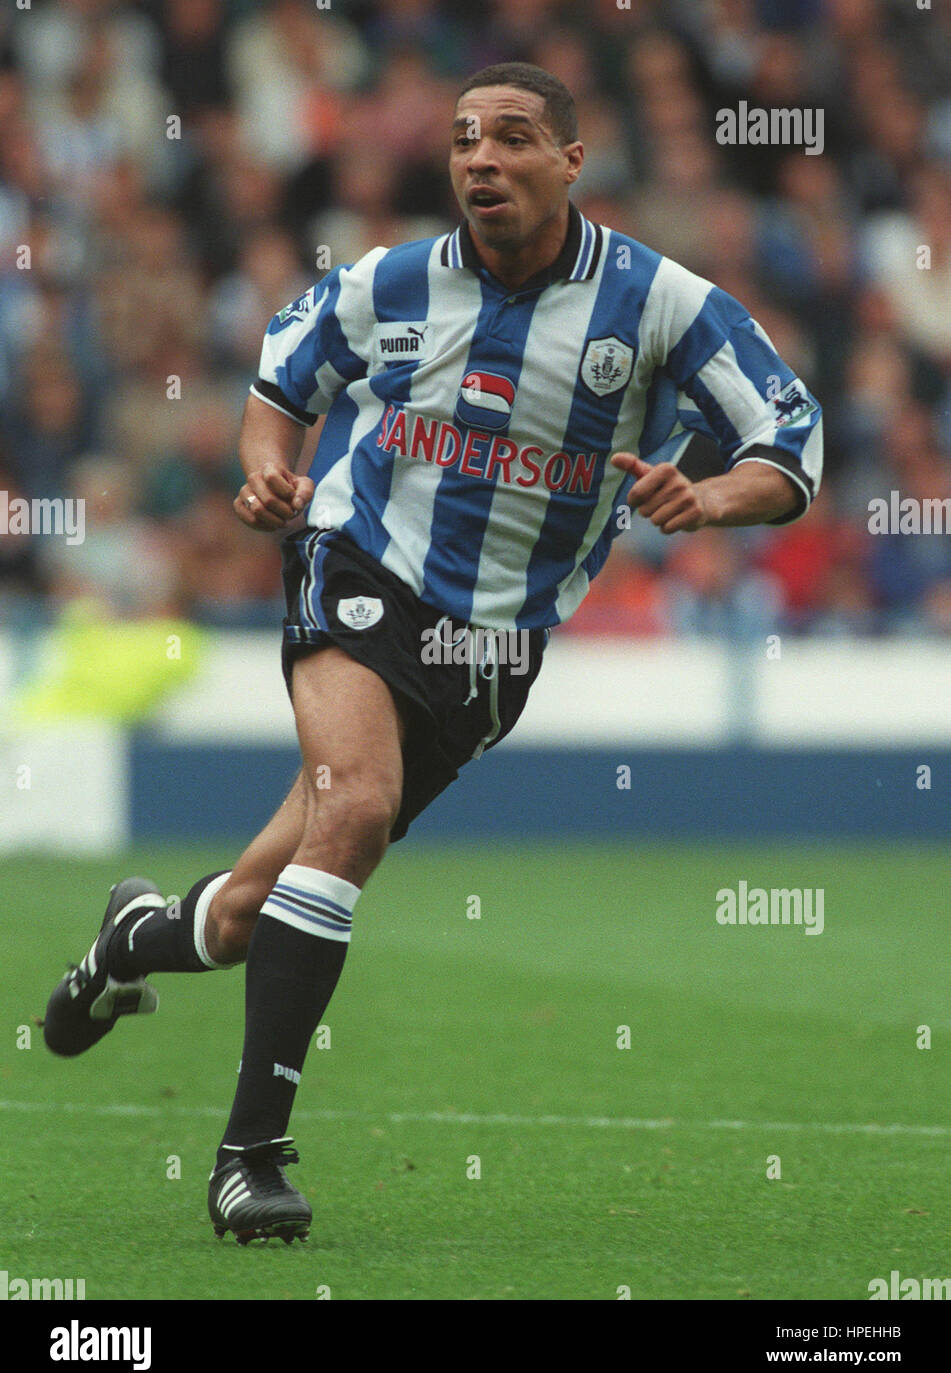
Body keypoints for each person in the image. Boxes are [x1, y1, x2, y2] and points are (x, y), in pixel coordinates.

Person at [43, 63, 823, 1245]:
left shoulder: (662, 306)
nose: (481, 159)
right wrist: (266, 464)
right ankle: (250, 1160)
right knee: (351, 808)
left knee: (250, 908)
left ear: (571, 159)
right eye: (465, 139)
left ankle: (127, 940)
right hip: (358, 567)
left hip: (493, 649)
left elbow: (791, 437)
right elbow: (282, 374)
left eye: (513, 138)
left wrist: (710, 499)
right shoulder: (390, 281)